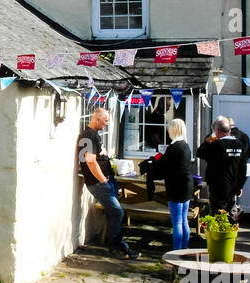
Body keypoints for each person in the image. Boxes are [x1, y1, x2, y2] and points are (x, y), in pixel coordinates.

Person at [78, 108, 136, 260]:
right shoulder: (88, 135)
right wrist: (103, 179)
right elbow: (90, 161)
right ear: (97, 119)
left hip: (106, 181)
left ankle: (122, 246)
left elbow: (96, 156)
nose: (107, 124)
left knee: (115, 213)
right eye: (105, 121)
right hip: (98, 183)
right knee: (117, 212)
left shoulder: (93, 135)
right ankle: (114, 248)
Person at [141, 118, 193, 252]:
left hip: (176, 186)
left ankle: (177, 252)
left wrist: (152, 164)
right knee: (184, 220)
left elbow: (163, 167)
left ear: (173, 130)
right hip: (186, 185)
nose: (168, 131)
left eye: (169, 129)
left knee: (177, 222)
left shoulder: (174, 147)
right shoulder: (186, 145)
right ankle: (185, 248)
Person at [198, 116, 250, 216]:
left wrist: (208, 140)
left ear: (217, 130)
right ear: (229, 130)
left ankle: (219, 231)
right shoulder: (240, 145)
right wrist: (240, 186)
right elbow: (243, 167)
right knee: (230, 213)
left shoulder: (216, 145)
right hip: (233, 186)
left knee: (217, 213)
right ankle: (229, 230)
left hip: (217, 187)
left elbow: (200, 153)